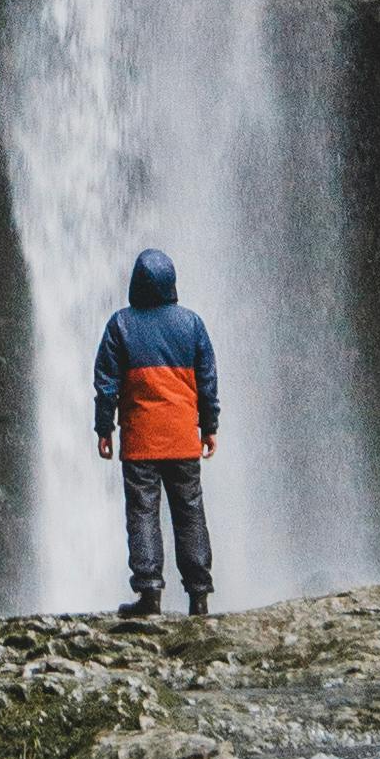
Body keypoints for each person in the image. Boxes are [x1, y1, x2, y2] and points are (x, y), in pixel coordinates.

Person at [93, 242, 219, 619]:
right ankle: (199, 596)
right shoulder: (192, 323)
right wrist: (209, 426)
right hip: (182, 438)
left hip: (140, 440)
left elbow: (107, 384)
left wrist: (104, 428)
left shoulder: (120, 324)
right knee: (189, 512)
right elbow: (208, 381)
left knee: (143, 514)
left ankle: (149, 595)